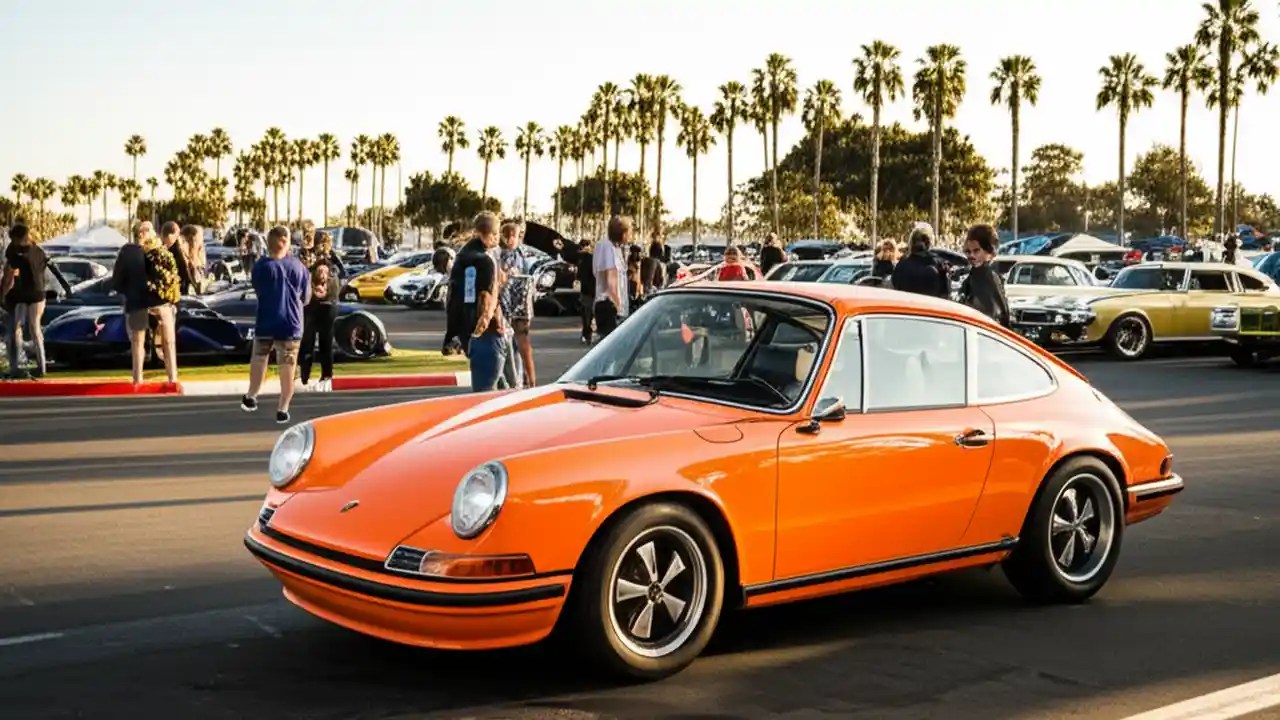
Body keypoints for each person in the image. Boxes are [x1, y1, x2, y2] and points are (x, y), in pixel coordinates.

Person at [241, 225, 310, 424]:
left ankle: (252, 395)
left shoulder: (261, 267)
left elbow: (258, 289)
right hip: (291, 323)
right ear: (284, 242)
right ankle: (283, 408)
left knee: (259, 357)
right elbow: (305, 297)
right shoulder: (298, 267)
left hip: (266, 321)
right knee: (287, 364)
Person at [446, 211, 507, 392]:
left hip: (469, 332)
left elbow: (454, 299)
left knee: (501, 392)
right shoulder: (484, 261)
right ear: (485, 234)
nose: (497, 238)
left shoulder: (462, 258)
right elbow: (485, 299)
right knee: (487, 396)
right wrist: (481, 327)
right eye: (495, 234)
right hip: (487, 335)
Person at [1, 223, 48, 378]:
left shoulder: (16, 252)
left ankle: (28, 366)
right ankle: (35, 366)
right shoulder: (38, 250)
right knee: (26, 329)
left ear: (16, 238)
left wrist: (2, 294)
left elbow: (8, 277)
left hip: (31, 294)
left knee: (27, 328)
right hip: (33, 294)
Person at [498, 222, 536, 387]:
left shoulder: (522, 253)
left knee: (521, 343)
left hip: (521, 303)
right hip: (507, 304)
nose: (512, 239)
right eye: (509, 235)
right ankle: (517, 380)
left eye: (515, 235)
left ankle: (526, 379)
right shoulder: (502, 255)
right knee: (511, 344)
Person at [958, 224, 1010, 325]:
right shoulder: (970, 275)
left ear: (988, 252)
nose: (971, 255)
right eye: (968, 252)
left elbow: (1001, 312)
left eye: (976, 251)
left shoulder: (988, 277)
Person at [298, 261, 338, 391]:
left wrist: (324, 294)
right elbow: (303, 296)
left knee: (325, 345)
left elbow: (334, 296)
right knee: (306, 345)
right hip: (311, 312)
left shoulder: (332, 281)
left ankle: (327, 376)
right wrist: (313, 294)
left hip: (327, 312)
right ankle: (304, 376)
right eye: (320, 271)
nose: (322, 274)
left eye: (325, 272)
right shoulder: (309, 281)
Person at [593, 215, 632, 338]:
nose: (631, 235)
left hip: (605, 304)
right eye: (630, 231)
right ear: (623, 233)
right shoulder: (608, 248)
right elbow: (611, 279)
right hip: (609, 306)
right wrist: (618, 306)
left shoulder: (610, 247)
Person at [889, 223, 950, 298]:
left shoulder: (901, 265)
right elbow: (945, 296)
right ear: (930, 243)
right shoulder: (939, 267)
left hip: (904, 307)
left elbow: (894, 288)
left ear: (911, 242)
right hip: (929, 308)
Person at [160, 222, 194, 296]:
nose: (178, 238)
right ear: (170, 236)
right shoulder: (161, 250)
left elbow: (184, 269)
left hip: (179, 288)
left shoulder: (177, 248)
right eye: (176, 236)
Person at [575, 239, 595, 344]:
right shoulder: (592, 258)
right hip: (592, 290)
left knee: (586, 314)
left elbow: (579, 276)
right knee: (589, 314)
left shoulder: (581, 259)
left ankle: (586, 334)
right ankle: (587, 334)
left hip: (586, 290)